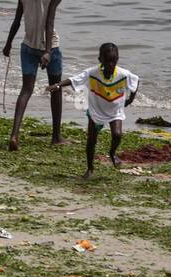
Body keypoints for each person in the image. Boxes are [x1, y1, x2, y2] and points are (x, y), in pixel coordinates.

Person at [48, 42, 140, 178]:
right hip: (96, 111)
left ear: (117, 60)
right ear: (100, 60)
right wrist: (57, 85)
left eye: (114, 61)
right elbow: (74, 79)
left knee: (117, 135)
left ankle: (112, 153)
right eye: (107, 61)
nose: (111, 64)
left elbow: (136, 81)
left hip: (115, 111)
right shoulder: (92, 73)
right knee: (91, 140)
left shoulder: (123, 74)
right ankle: (90, 168)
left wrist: (131, 99)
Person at [2, 0, 65, 151]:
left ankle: (14, 135)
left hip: (27, 46)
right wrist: (47, 52)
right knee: (55, 88)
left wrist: (8, 43)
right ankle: (56, 137)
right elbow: (49, 23)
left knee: (26, 90)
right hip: (50, 48)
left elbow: (16, 21)